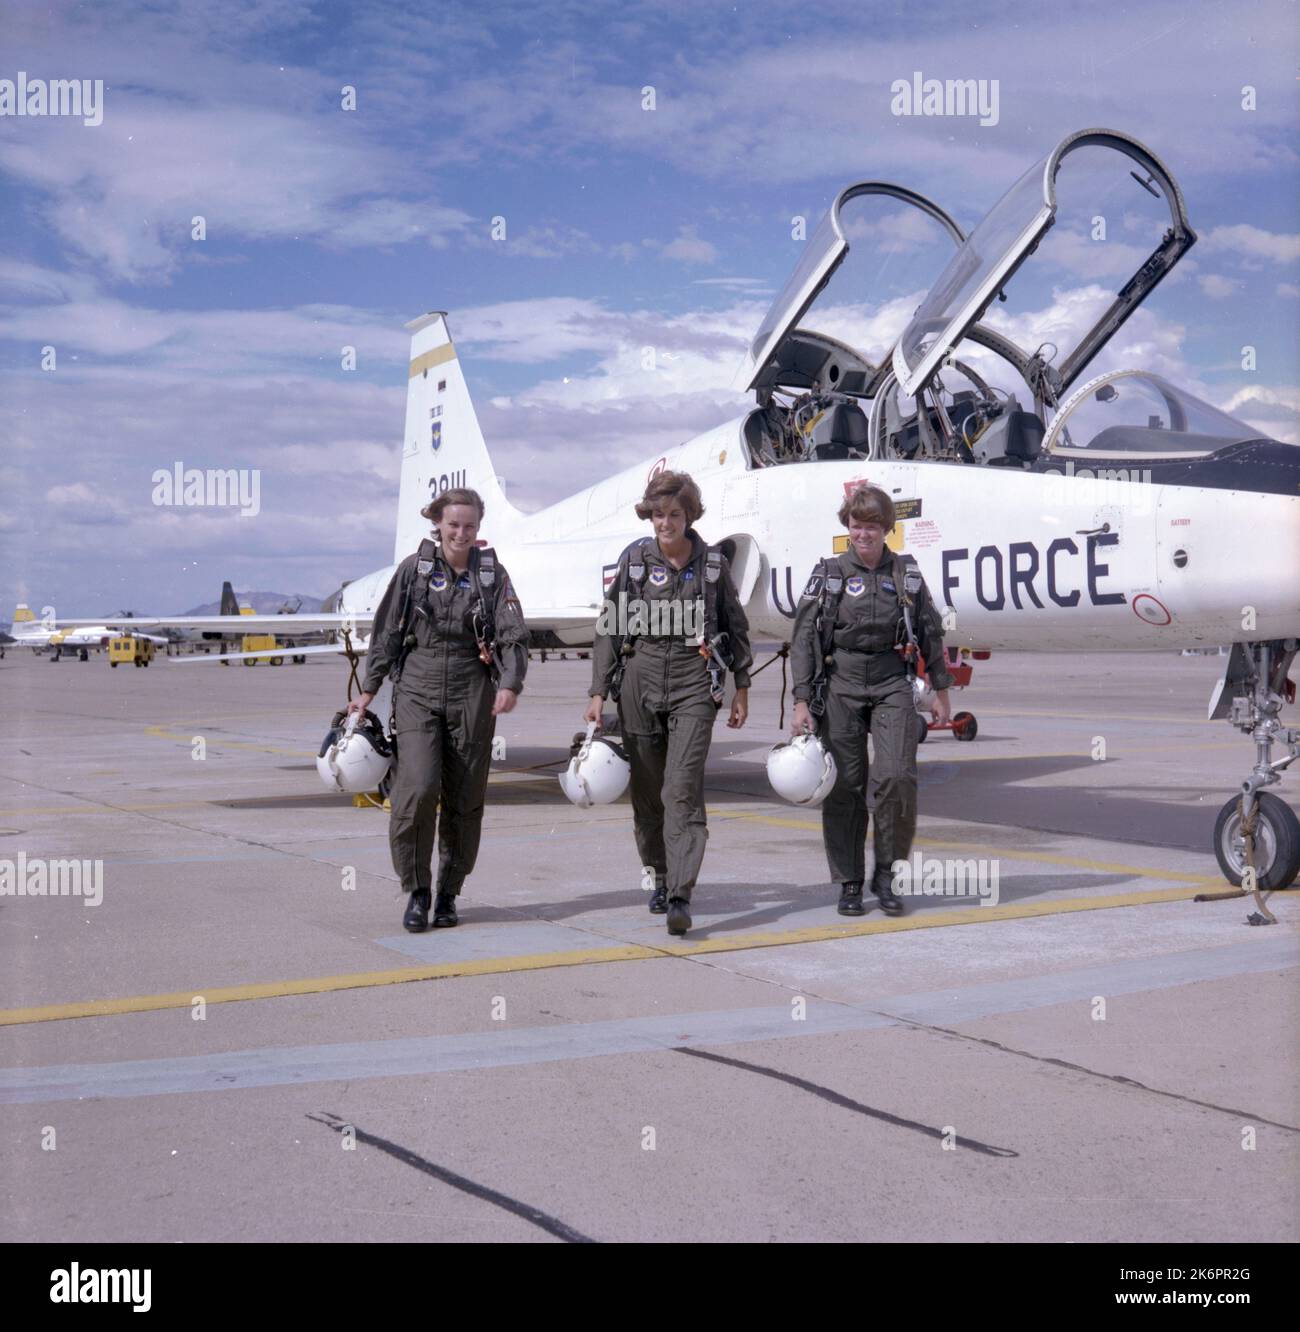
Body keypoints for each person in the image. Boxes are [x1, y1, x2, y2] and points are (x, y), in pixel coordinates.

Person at [350, 488, 528, 932]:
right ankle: (417, 890)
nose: (461, 533)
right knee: (417, 789)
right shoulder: (415, 571)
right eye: (453, 525)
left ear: (478, 527)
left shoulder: (492, 576)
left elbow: (513, 634)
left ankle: (449, 892)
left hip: (472, 690)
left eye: (469, 526)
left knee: (466, 800)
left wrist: (510, 683)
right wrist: (369, 688)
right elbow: (387, 631)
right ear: (438, 524)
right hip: (418, 686)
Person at [585, 470, 753, 937]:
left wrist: (741, 686)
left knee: (681, 789)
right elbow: (609, 627)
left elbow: (736, 628)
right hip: (639, 679)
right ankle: (658, 875)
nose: (666, 523)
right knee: (648, 793)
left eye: (674, 514)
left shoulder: (714, 566)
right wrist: (599, 691)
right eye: (658, 514)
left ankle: (680, 892)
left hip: (694, 680)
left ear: (689, 515)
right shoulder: (635, 561)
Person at [790, 484, 953, 917]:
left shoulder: (906, 573)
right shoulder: (827, 573)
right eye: (856, 526)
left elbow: (931, 629)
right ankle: (849, 882)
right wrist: (801, 699)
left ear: (887, 529)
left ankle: (887, 876)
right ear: (847, 527)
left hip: (891, 682)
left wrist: (940, 689)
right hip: (840, 683)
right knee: (846, 785)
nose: (864, 534)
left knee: (898, 777)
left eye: (873, 527)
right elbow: (804, 638)